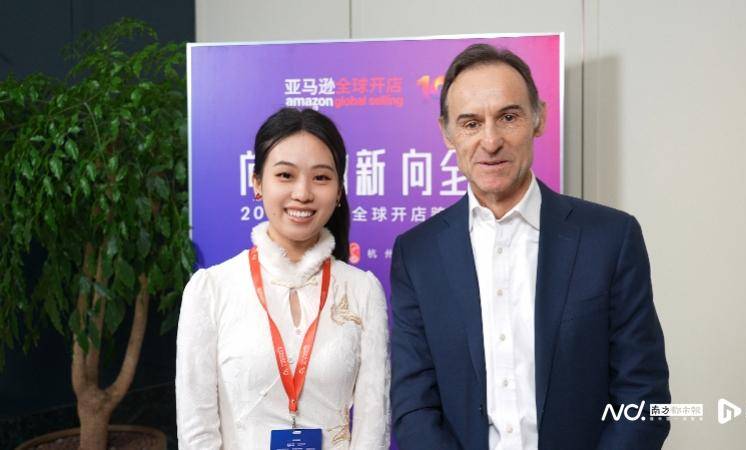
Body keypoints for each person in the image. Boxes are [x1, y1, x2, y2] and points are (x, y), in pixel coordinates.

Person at [390, 44, 670, 450]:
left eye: (508, 117)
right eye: (471, 123)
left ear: (539, 118)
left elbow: (643, 396)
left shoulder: (610, 238)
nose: (490, 141)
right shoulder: (418, 254)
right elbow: (414, 405)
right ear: (447, 133)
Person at [176, 107, 390, 449]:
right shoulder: (211, 290)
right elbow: (196, 432)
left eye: (321, 177)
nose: (303, 193)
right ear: (257, 183)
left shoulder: (362, 290)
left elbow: (373, 425)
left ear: (338, 191)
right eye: (286, 175)